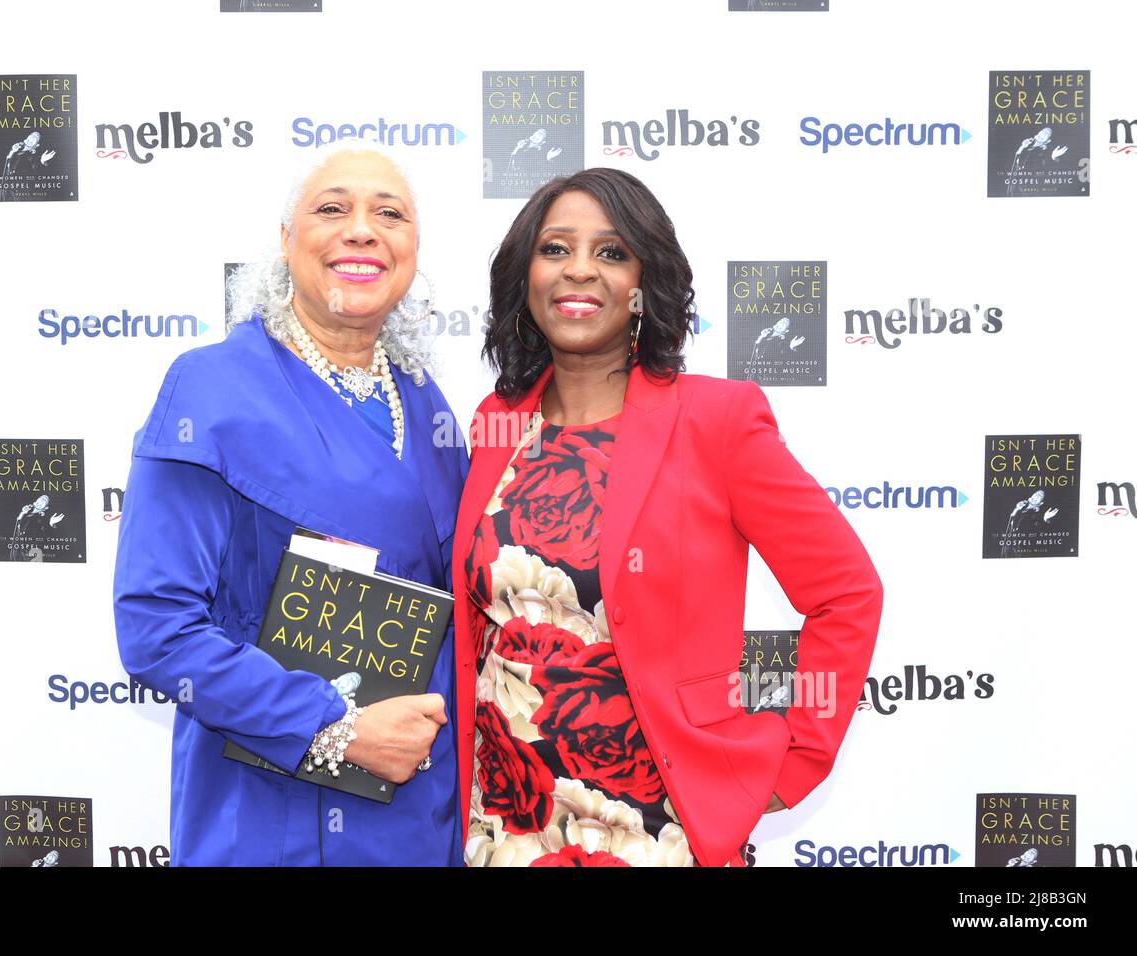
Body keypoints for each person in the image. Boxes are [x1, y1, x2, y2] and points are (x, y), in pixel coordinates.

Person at [452, 167, 883, 867]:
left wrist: (790, 763)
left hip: (658, 830)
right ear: (524, 279)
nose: (581, 270)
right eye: (555, 249)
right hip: (506, 825)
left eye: (612, 252)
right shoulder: (497, 425)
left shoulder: (717, 421)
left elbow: (847, 592)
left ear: (644, 287)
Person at [113, 143, 467, 865]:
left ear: (413, 249)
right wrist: (331, 726)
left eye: (389, 214)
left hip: (420, 812)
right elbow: (157, 629)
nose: (362, 230)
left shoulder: (427, 402)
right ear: (285, 240)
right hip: (277, 818)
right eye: (331, 208)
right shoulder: (213, 389)